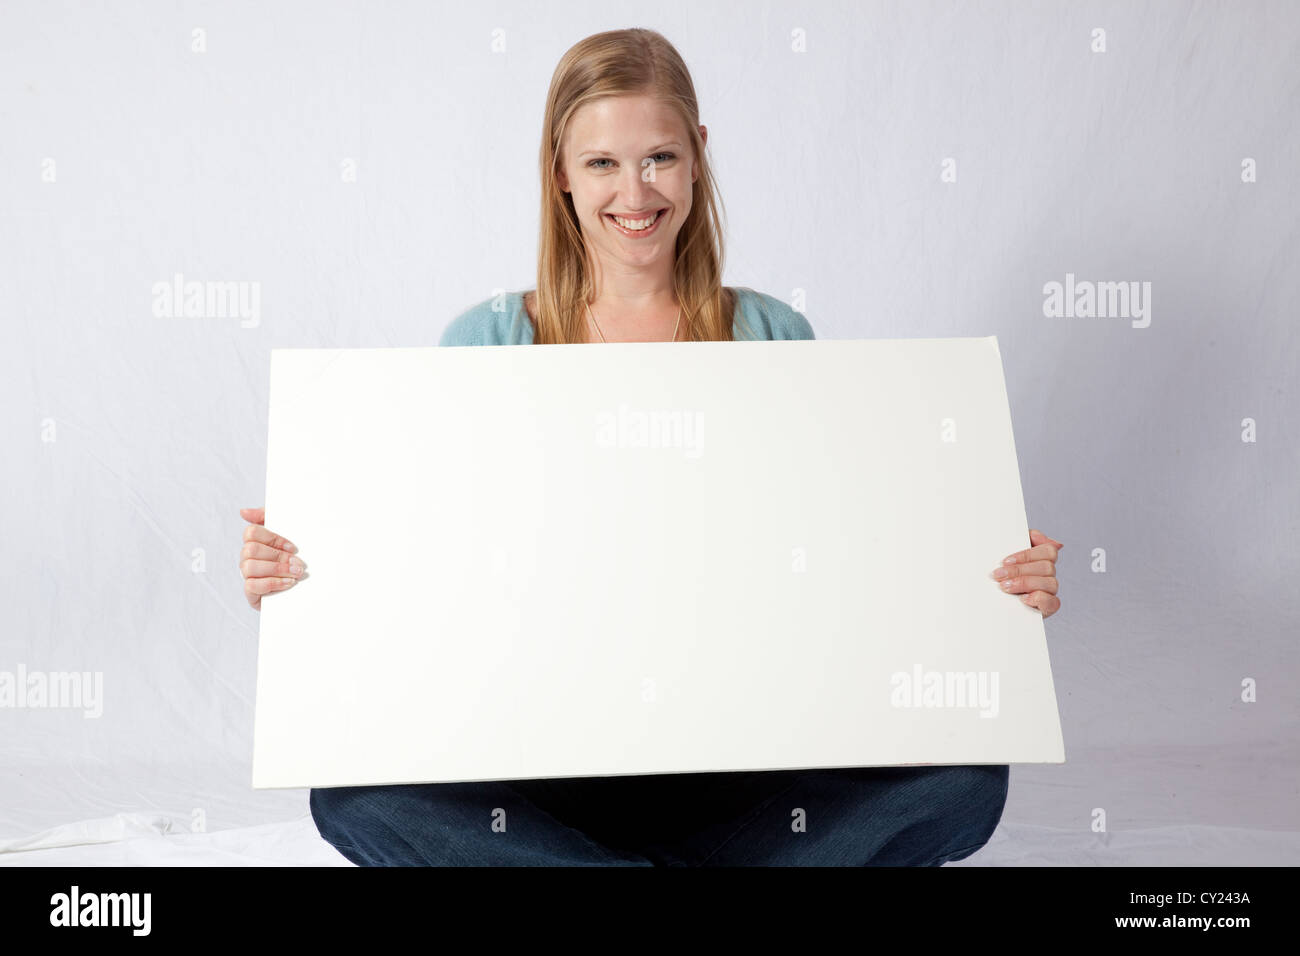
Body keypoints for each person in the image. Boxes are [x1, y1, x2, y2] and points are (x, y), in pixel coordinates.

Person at [239, 27, 1063, 866]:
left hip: (748, 763)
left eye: (659, 157)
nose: (634, 191)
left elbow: (860, 557)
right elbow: (426, 566)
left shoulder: (775, 335)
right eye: (601, 163)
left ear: (698, 156)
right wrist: (308, 572)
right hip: (537, 769)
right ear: (559, 171)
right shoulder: (486, 341)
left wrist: (986, 580)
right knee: (356, 799)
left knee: (964, 782)